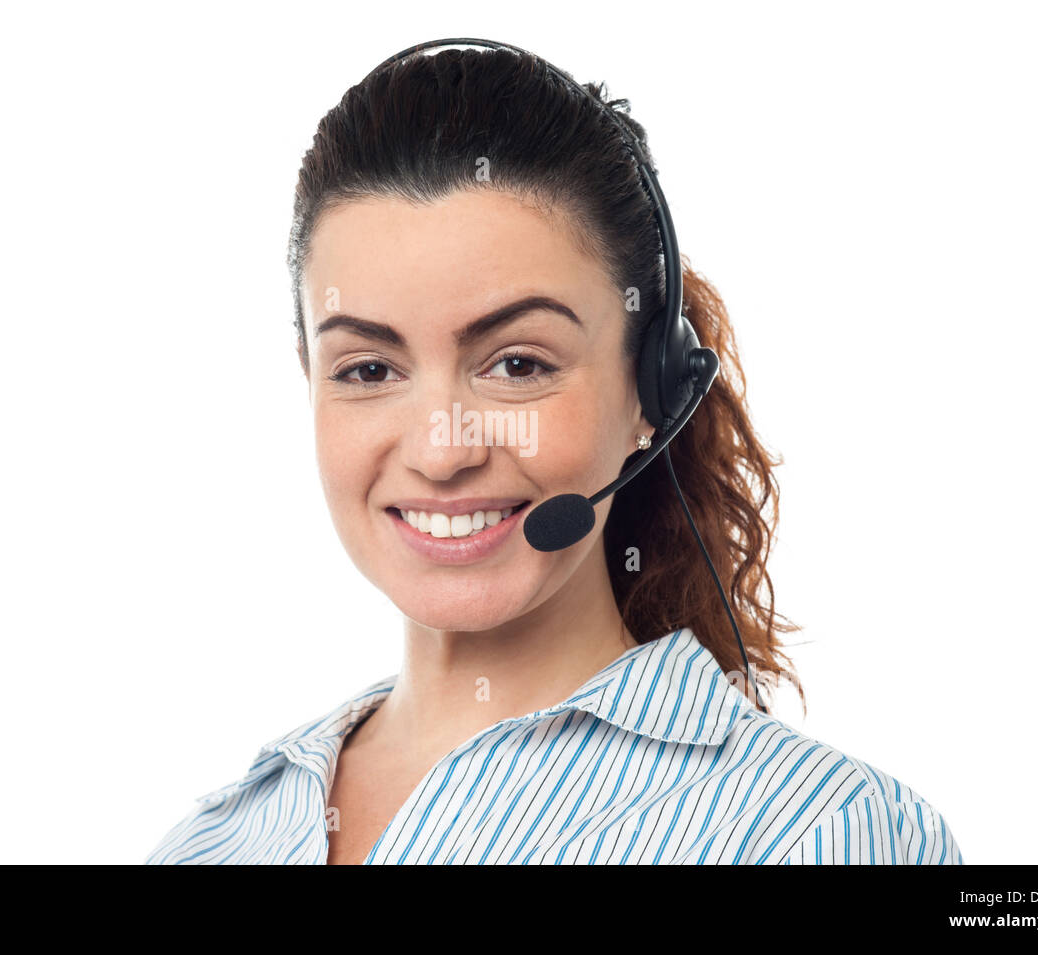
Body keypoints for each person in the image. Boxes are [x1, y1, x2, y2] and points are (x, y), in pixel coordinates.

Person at [146, 39, 963, 865]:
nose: (440, 450)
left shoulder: (821, 831)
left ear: (653, 385)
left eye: (517, 365)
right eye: (368, 369)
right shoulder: (213, 840)